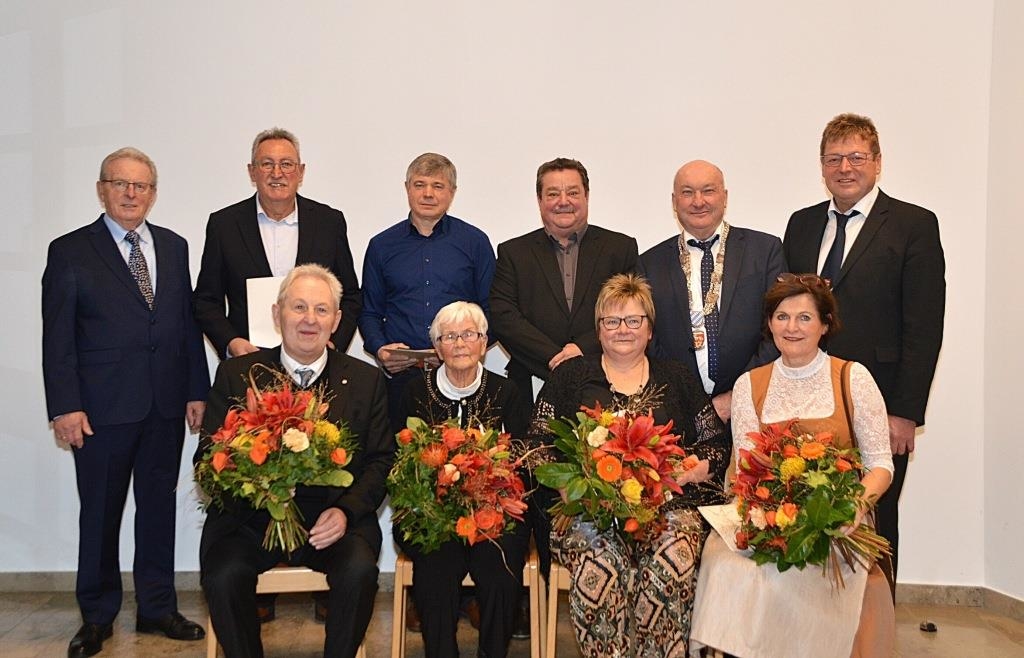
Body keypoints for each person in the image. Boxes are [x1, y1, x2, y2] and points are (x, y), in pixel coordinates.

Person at [42, 147, 210, 657]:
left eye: (141, 185)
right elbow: (58, 337)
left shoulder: (175, 247)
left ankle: (157, 607)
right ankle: (96, 616)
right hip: (99, 411)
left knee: (157, 510)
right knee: (100, 514)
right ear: (102, 190)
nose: (131, 194)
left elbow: (185, 325)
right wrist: (65, 406)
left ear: (153, 194)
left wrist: (196, 389)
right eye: (120, 184)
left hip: (164, 405)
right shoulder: (70, 250)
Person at [690, 274, 895, 658]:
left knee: (806, 573)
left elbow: (881, 464)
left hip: (839, 515)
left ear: (825, 324)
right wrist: (765, 513)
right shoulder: (749, 384)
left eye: (804, 317)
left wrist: (854, 507)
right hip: (767, 512)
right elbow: (747, 467)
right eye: (782, 317)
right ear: (769, 324)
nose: (792, 327)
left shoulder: (853, 378)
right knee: (722, 560)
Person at [783, 113, 945, 593]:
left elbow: (924, 326)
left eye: (856, 157)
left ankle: (877, 622)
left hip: (881, 400)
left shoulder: (914, 225)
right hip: (810, 400)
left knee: (876, 519)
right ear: (822, 166)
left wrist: (905, 412)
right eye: (834, 158)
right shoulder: (801, 224)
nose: (845, 168)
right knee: (807, 512)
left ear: (877, 162)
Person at [197, 264, 392, 658]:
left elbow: (381, 461)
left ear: (336, 320)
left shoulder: (366, 380)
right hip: (249, 521)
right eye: (298, 307)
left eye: (321, 310)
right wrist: (258, 490)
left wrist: (345, 512)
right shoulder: (237, 374)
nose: (309, 319)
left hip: (333, 522)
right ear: (277, 314)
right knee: (223, 575)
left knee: (359, 572)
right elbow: (208, 459)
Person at [530, 273, 729, 658]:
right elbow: (537, 442)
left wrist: (694, 469)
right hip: (588, 508)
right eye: (612, 321)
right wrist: (567, 486)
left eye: (634, 320)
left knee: (672, 561)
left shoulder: (677, 376)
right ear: (598, 330)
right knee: (600, 565)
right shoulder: (570, 375)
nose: (623, 329)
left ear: (650, 330)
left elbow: (716, 443)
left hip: (669, 506)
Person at [393, 301, 531, 658]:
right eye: (449, 336)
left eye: (469, 334)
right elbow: (401, 466)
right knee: (436, 571)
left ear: (483, 343)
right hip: (431, 514)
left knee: (501, 569)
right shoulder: (414, 393)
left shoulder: (507, 392)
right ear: (437, 348)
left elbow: (521, 464)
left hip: (494, 513)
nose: (459, 344)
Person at [194, 127, 362, 358]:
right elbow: (206, 300)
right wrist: (231, 342)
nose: (277, 173)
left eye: (286, 164)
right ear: (252, 172)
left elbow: (351, 296)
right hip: (249, 360)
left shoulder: (329, 223)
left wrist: (333, 344)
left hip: (315, 359)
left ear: (301, 172)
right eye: (267, 164)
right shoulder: (224, 225)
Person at [639, 160, 785, 424]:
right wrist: (685, 397)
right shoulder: (649, 263)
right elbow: (649, 338)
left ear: (724, 197)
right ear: (674, 202)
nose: (698, 201)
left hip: (754, 406)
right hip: (679, 412)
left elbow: (780, 329)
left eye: (708, 191)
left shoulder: (764, 251)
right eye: (687, 192)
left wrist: (737, 395)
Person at [490, 157, 639, 414]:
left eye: (572, 192)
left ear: (586, 196)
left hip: (606, 379)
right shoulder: (513, 253)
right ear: (539, 200)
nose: (563, 201)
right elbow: (503, 316)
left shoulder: (619, 248)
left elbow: (631, 310)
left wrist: (581, 348)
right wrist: (554, 356)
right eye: (552, 194)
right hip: (532, 378)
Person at [359, 153, 495, 432]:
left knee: (466, 453)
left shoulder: (475, 243)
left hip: (461, 379)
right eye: (420, 184)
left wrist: (460, 349)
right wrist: (380, 349)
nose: (428, 194)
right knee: (400, 453)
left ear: (452, 192)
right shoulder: (381, 246)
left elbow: (492, 310)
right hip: (401, 380)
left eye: (438, 186)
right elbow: (369, 311)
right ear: (407, 188)